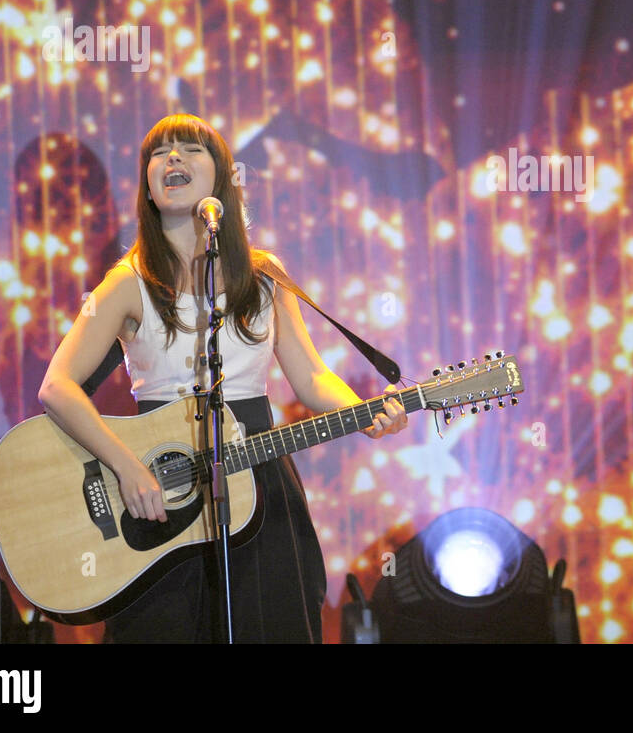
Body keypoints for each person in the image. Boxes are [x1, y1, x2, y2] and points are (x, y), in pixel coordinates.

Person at [37, 113, 408, 642]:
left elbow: (312, 377)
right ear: (147, 184)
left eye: (191, 149)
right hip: (159, 495)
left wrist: (366, 411)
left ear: (223, 179)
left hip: (259, 476)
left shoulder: (265, 275)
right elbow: (57, 387)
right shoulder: (126, 283)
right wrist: (127, 468)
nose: (173, 159)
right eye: (160, 154)